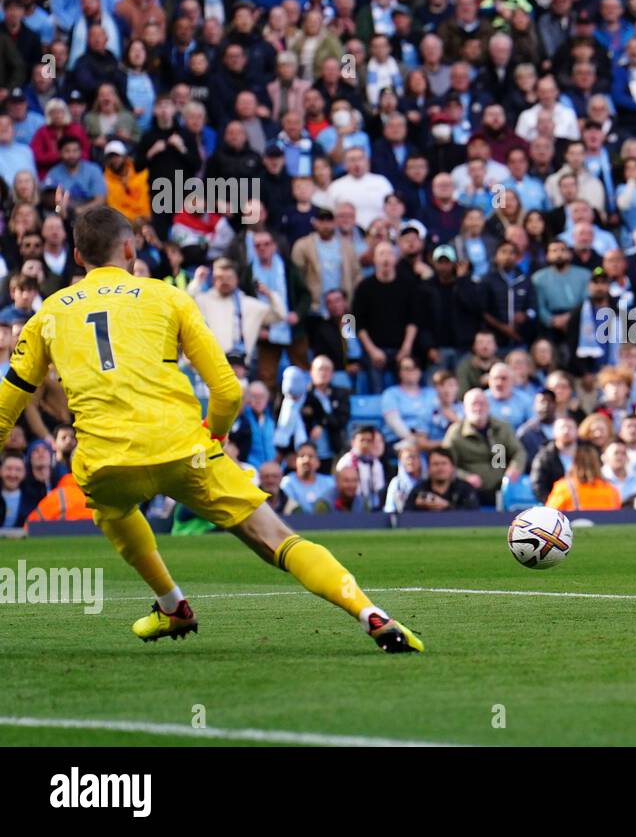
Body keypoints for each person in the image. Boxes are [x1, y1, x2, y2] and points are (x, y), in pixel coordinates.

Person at [0, 206, 423, 652]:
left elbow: (9, 402)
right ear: (129, 248)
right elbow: (227, 390)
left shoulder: (47, 314)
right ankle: (369, 613)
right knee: (277, 539)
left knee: (113, 510)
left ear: (76, 255)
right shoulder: (168, 297)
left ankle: (171, 604)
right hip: (185, 449)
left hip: (106, 461)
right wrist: (215, 438)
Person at [544, 440, 622, 511]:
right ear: (597, 464)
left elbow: (549, 516)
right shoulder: (611, 490)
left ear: (574, 463)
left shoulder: (563, 488)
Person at [406, 447, 478, 511]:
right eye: (435, 464)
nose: (440, 468)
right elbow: (405, 516)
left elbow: (473, 515)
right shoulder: (419, 490)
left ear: (452, 467)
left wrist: (446, 506)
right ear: (428, 468)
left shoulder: (465, 489)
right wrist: (419, 507)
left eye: (444, 463)